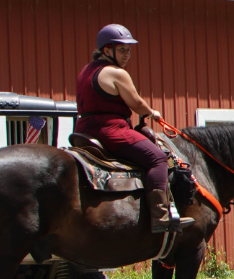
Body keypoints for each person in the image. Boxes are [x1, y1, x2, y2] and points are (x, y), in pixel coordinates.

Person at [74, 24, 192, 232]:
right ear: (107, 50)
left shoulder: (86, 70)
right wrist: (152, 112)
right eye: (122, 49)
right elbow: (136, 103)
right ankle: (160, 215)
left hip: (84, 129)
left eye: (129, 50)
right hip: (111, 129)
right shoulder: (116, 73)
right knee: (157, 158)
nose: (127, 54)